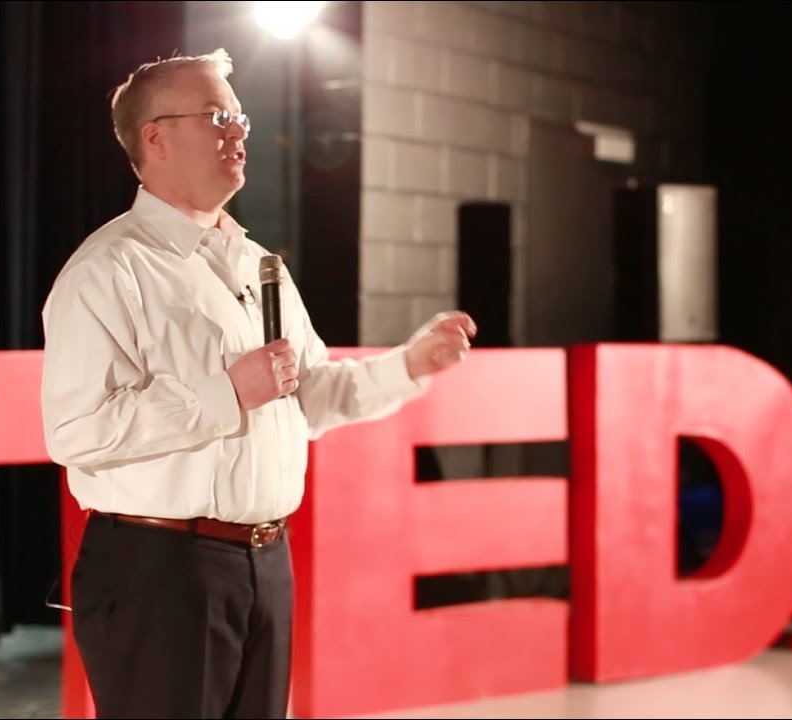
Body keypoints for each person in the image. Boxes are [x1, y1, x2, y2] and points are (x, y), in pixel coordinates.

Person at [39, 48, 477, 719]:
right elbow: (77, 431)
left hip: (265, 560)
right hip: (161, 569)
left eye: (239, 116)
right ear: (155, 138)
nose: (239, 130)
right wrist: (227, 393)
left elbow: (309, 397)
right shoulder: (108, 271)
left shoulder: (258, 262)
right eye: (217, 116)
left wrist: (409, 365)